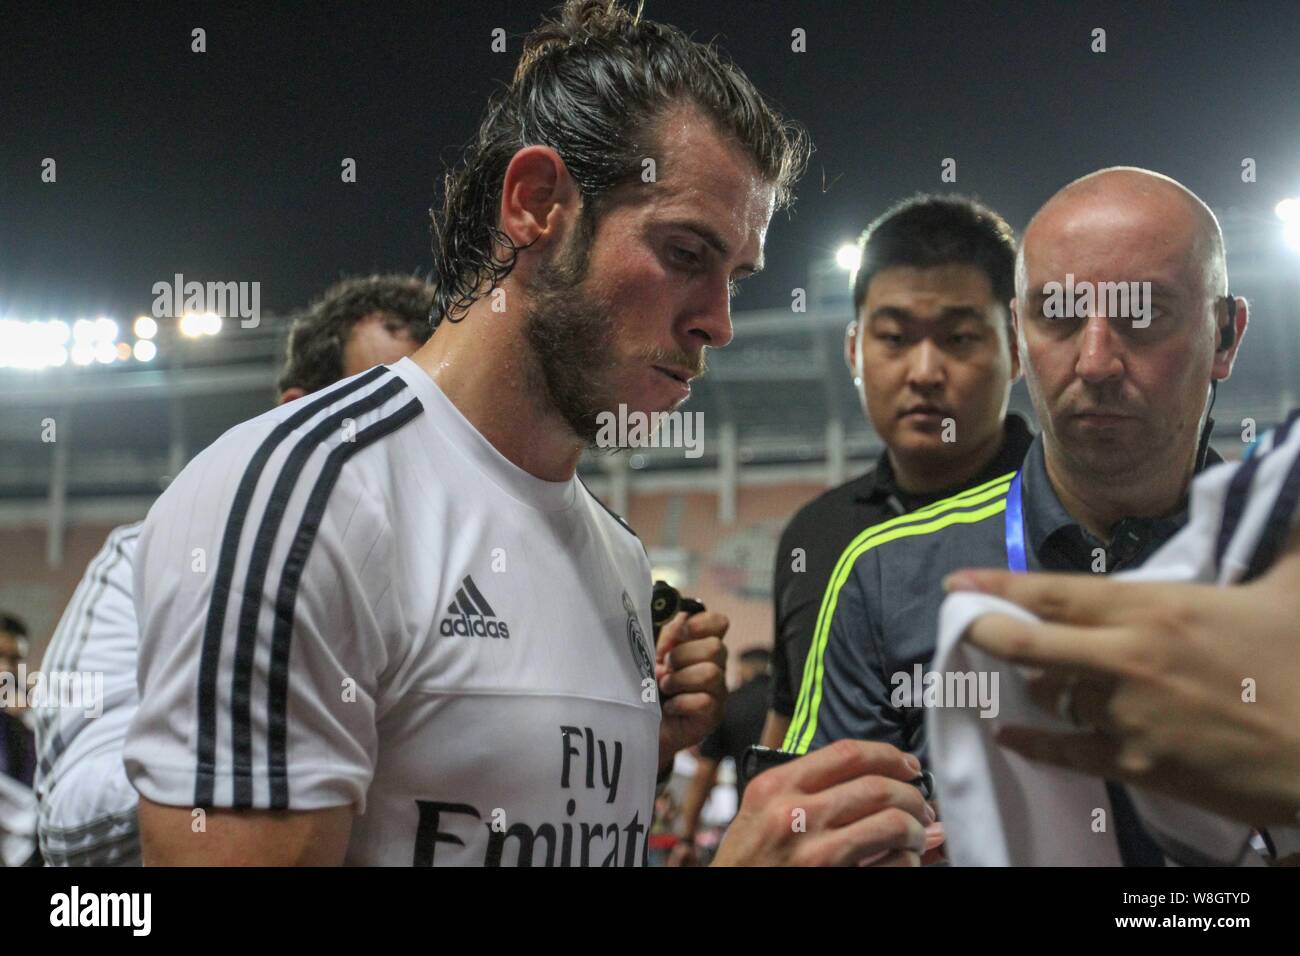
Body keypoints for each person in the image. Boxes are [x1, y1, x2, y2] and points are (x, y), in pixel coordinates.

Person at [787, 166, 1249, 866]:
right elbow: (813, 842)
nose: (1095, 361)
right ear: (1018, 335)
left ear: (1225, 337)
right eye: (1059, 316)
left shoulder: (1284, 567)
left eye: (1144, 313)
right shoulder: (885, 576)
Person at [33, 274, 433, 866]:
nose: (408, 443)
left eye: (428, 420)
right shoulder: (139, 559)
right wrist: (260, 763)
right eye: (373, 407)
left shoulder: (479, 569)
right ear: (296, 415)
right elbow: (72, 829)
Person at [948, 411, 1300, 833]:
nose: (1096, 363)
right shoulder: (891, 570)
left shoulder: (1270, 510)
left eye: (1145, 337)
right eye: (1061, 337)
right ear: (1021, 347)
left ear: (1224, 345)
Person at [765, 195, 1032, 750]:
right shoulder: (815, 537)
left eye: (958, 338)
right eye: (894, 338)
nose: (925, 372)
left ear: (1017, 348)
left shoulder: (1066, 514)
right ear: (854, 350)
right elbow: (789, 725)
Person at [672, 648, 772, 864]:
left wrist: (686, 839)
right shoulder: (790, 704)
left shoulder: (732, 704)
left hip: (747, 824)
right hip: (796, 821)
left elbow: (704, 774)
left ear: (745, 670)